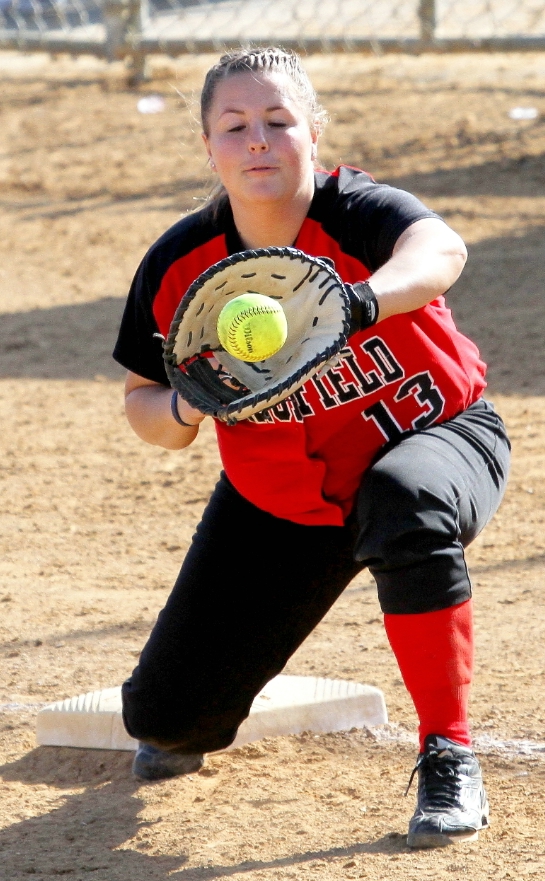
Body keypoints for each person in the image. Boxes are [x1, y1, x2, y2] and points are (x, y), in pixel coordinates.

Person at [112, 47, 510, 849]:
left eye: (277, 121)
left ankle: (448, 751)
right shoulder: (180, 264)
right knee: (164, 721)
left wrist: (356, 301)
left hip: (433, 439)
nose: (257, 139)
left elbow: (441, 254)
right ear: (208, 145)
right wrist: (187, 403)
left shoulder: (358, 210)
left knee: (403, 501)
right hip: (281, 497)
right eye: (235, 125)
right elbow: (143, 410)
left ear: (313, 132)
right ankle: (190, 704)